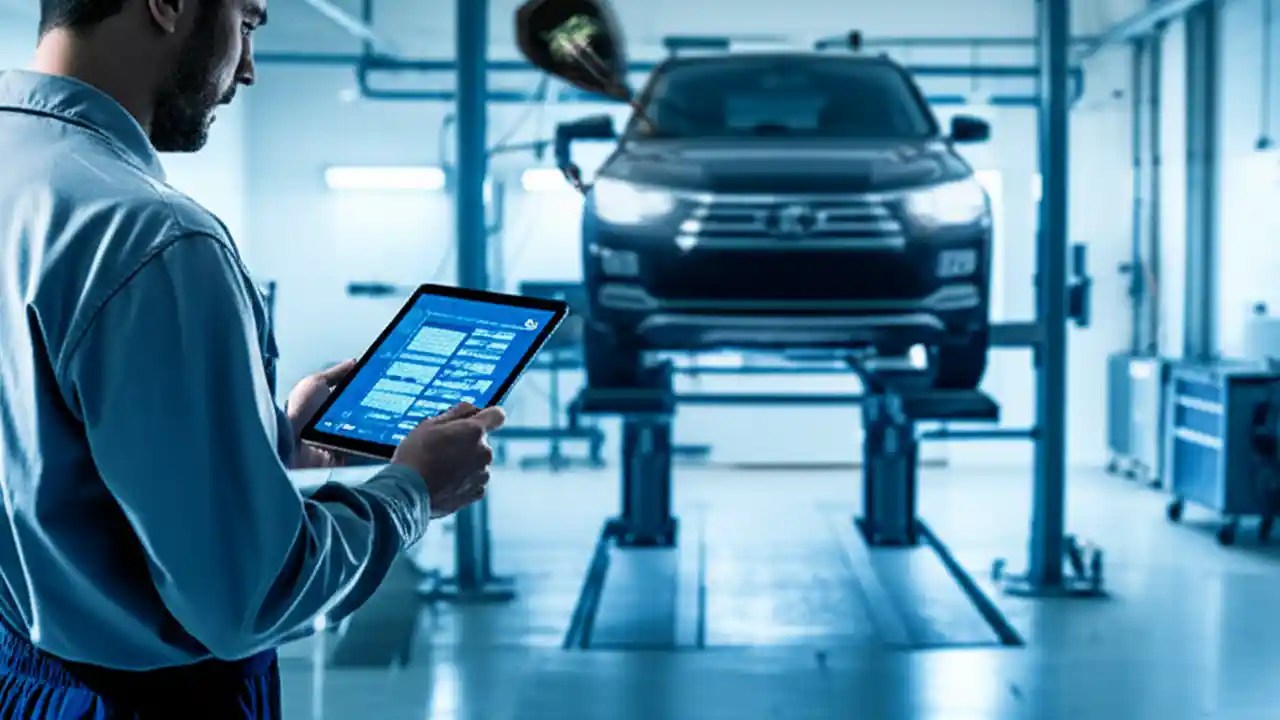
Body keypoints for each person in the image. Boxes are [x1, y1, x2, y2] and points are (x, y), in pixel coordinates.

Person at [0, 0, 504, 716]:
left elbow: (57, 468)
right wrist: (413, 492)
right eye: (249, 22)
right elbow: (247, 596)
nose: (247, 69)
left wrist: (266, 448)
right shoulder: (155, 238)